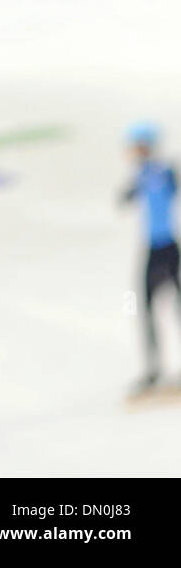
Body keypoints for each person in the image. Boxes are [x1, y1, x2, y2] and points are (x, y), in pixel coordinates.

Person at [120, 122, 179, 393]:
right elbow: (124, 198)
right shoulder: (144, 174)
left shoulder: (162, 171)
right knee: (147, 310)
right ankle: (154, 370)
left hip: (168, 248)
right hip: (154, 249)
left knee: (175, 307)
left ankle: (155, 370)